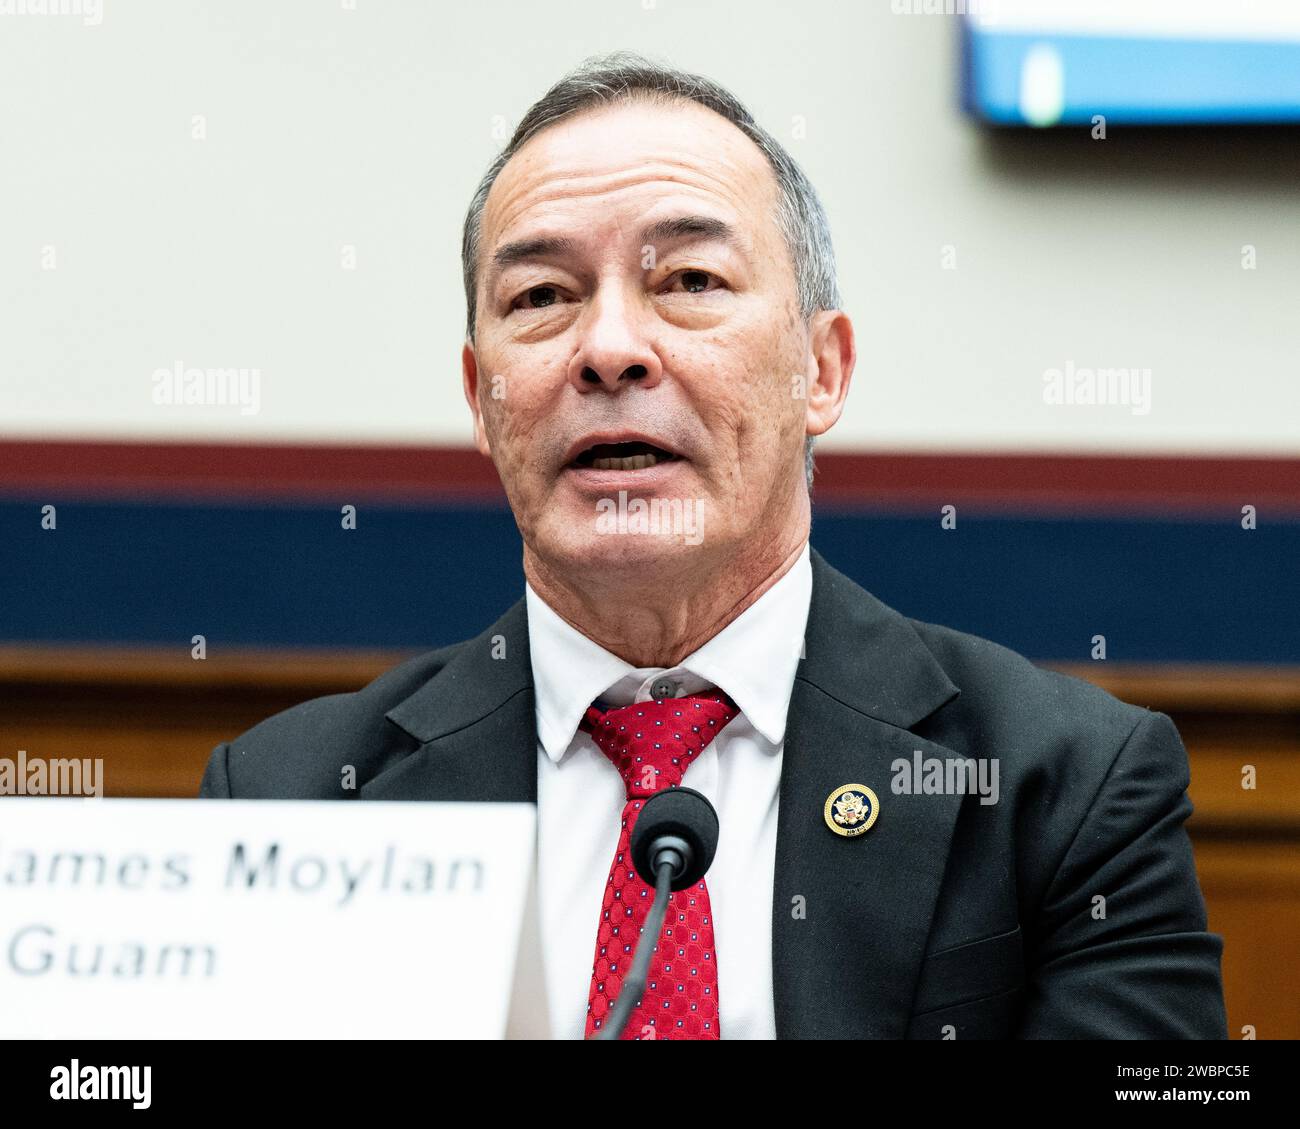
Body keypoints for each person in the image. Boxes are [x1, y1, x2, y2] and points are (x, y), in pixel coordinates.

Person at [200, 52, 1227, 1041]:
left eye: (688, 279)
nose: (608, 349)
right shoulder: (296, 798)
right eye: (541, 297)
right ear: (481, 399)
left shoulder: (1064, 786)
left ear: (820, 371)